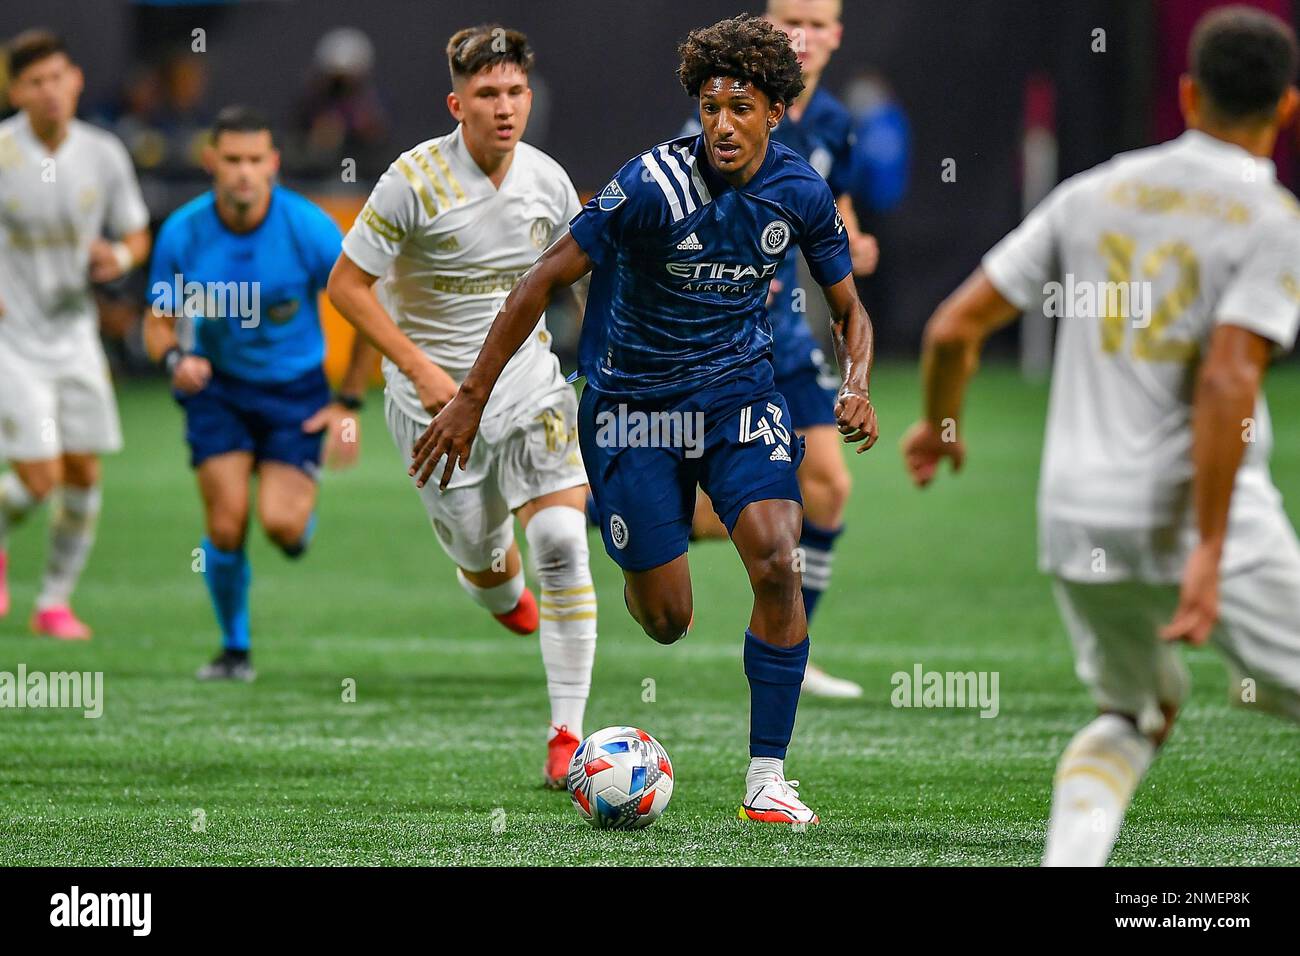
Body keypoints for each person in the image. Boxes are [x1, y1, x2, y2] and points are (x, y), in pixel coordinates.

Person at [412, 15, 880, 824]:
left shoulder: (800, 190)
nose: (723, 124)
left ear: (776, 110)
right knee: (668, 621)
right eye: (710, 106)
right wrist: (470, 397)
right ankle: (622, 529)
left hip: (738, 399)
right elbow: (538, 283)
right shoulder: (649, 186)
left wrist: (858, 382)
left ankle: (766, 780)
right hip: (632, 410)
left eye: (741, 108)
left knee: (776, 557)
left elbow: (850, 309)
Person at [901, 5, 1300, 866]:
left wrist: (940, 426)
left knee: (1135, 713)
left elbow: (951, 330)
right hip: (1194, 519)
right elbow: (1230, 379)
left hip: (1077, 518)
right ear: (1288, 108)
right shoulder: (1270, 218)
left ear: (1188, 95)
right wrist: (1209, 546)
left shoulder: (1096, 191)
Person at [327, 25, 596, 788]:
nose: (504, 107)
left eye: (514, 92)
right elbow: (346, 287)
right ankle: (496, 586)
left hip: (528, 386)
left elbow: (576, 275)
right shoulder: (411, 181)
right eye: (487, 95)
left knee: (563, 546)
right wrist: (414, 367)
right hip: (432, 409)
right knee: (490, 570)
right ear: (457, 103)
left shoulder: (547, 178)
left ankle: (567, 736)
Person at [689, 0, 879, 699]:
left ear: (835, 36)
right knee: (735, 510)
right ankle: (607, 506)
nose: (803, 34)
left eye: (816, 22)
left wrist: (850, 242)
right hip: (721, 339)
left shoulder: (833, 123)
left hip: (789, 334)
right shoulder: (731, 109)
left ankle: (797, 645)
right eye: (788, 21)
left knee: (828, 485)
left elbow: (838, 208)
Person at [144, 106, 375, 682]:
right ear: (210, 162)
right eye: (232, 160)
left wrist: (347, 404)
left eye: (255, 160)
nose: (244, 172)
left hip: (293, 393)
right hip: (217, 392)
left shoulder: (309, 227)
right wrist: (176, 357)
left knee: (281, 526)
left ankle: (296, 523)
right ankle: (234, 649)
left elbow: (370, 310)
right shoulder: (183, 231)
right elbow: (157, 320)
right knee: (226, 524)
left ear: (272, 164)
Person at [0, 30, 151, 639]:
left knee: (84, 473)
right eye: (35, 81)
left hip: (75, 337)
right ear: (16, 91)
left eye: (58, 77)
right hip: (12, 344)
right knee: (41, 478)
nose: (50, 91)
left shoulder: (104, 153)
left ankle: (53, 603)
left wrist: (117, 256)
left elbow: (137, 235)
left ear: (76, 80)